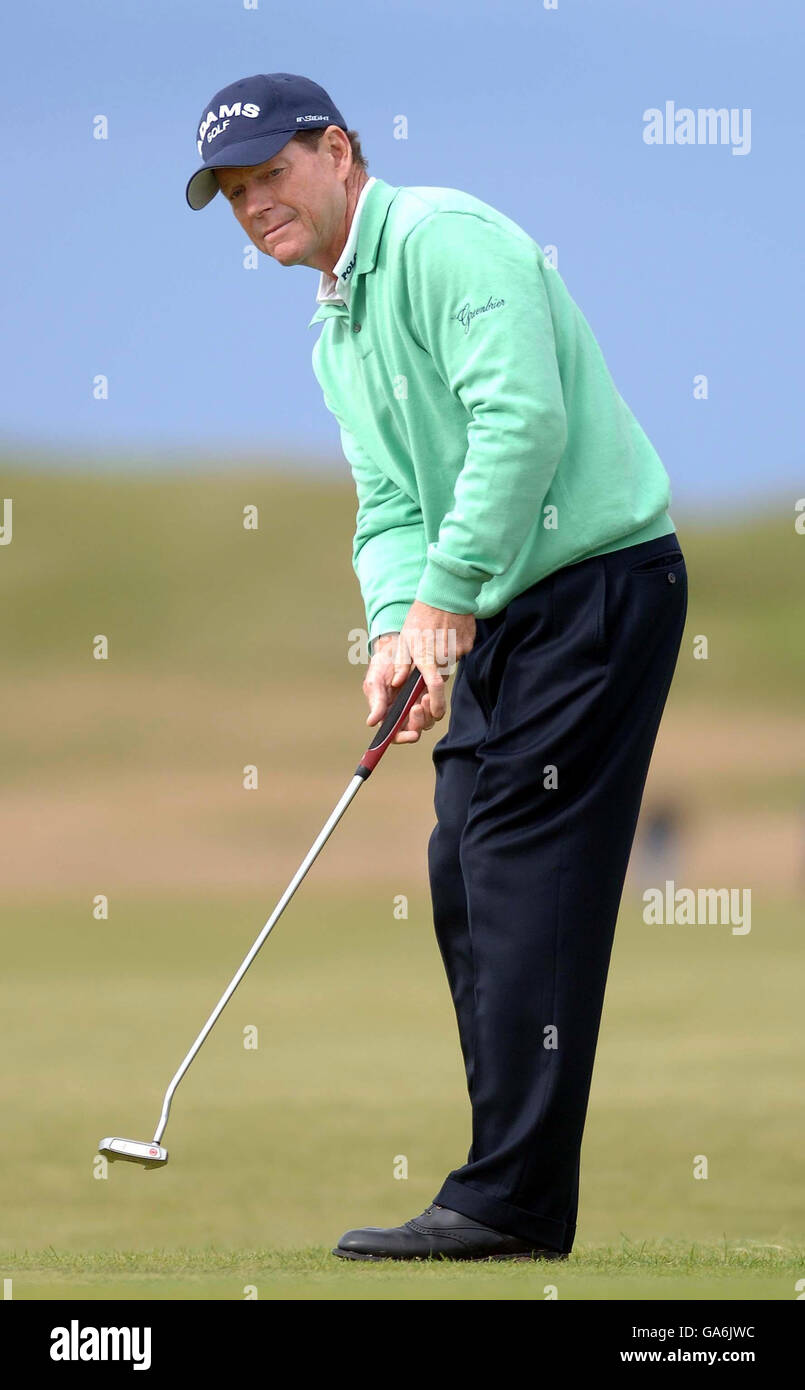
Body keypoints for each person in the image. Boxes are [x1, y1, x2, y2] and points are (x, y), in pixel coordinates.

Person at [186, 72, 688, 1261]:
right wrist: (396, 635)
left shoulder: (442, 241)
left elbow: (523, 421)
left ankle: (506, 1202)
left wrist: (446, 591)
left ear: (338, 151)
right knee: (463, 867)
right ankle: (511, 1193)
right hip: (510, 606)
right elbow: (391, 504)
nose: (257, 205)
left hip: (594, 584)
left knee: (514, 868)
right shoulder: (338, 328)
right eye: (237, 193)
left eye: (271, 173)